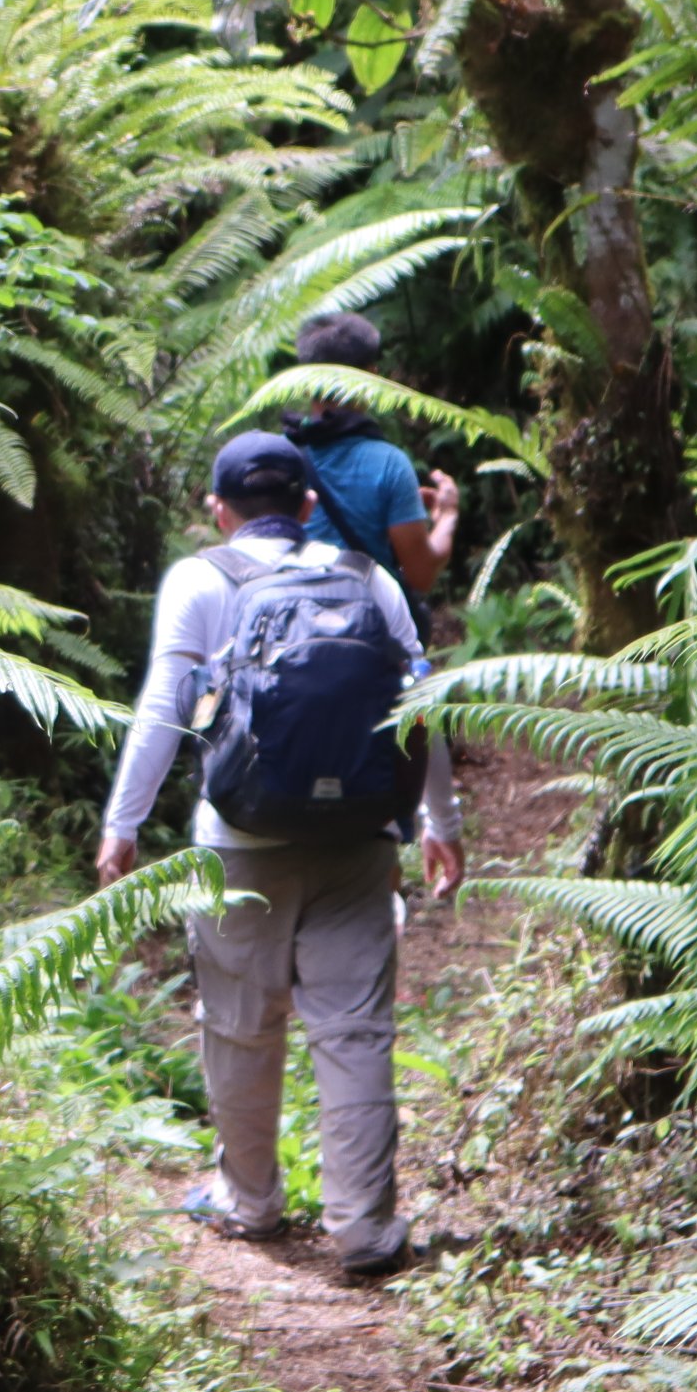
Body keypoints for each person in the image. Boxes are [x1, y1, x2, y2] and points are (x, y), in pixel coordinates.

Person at [95, 431, 465, 1280]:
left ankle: (251, 1203)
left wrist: (124, 823)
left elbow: (164, 703)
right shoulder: (371, 578)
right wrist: (440, 821)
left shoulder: (200, 578)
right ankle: (366, 1230)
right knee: (356, 1032)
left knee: (238, 1027)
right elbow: (421, 705)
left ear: (219, 511)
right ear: (307, 505)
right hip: (362, 838)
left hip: (240, 842)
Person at [287, 312, 459, 601]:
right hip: (367, 631)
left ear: (304, 382)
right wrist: (448, 516)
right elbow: (422, 575)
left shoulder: (276, 455)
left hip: (290, 629)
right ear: (372, 377)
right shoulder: (390, 465)